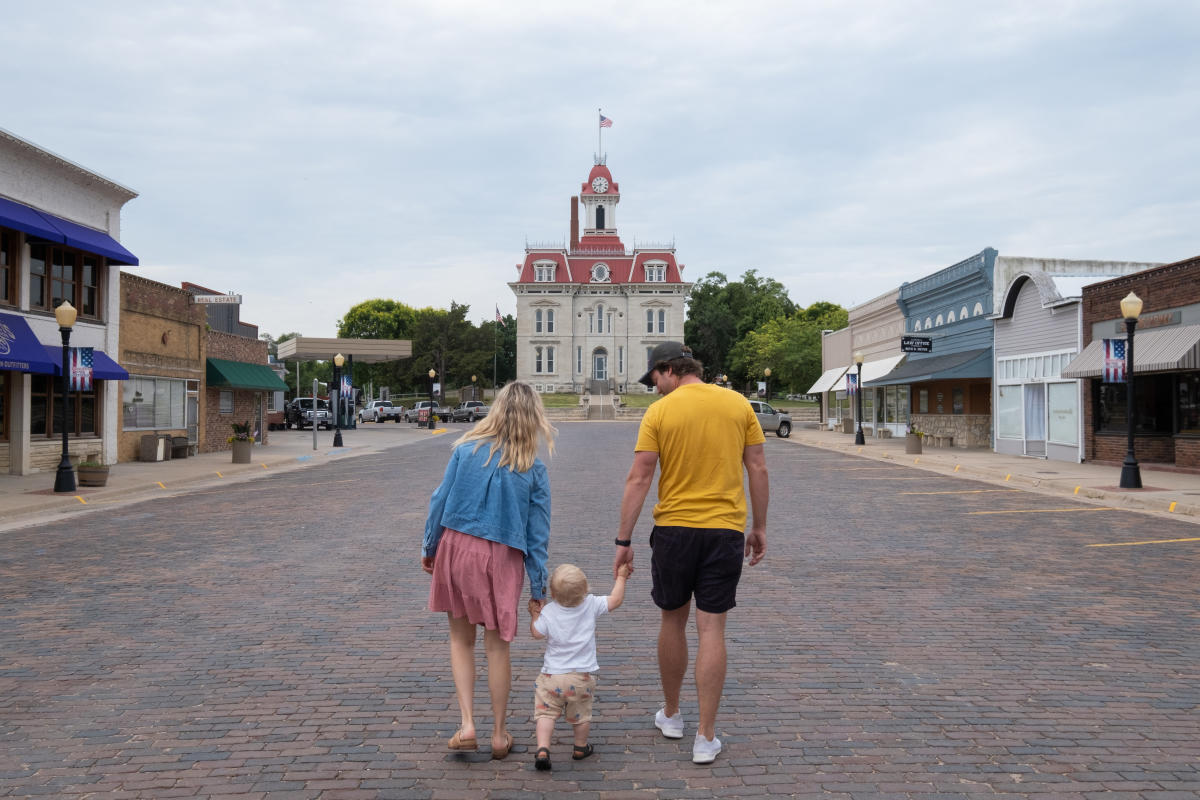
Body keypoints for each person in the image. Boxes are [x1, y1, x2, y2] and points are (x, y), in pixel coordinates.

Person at [613, 341, 768, 765]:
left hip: (674, 531)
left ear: (669, 369)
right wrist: (759, 526)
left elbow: (640, 476)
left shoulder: (660, 412)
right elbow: (757, 467)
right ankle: (706, 736)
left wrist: (623, 541)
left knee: (673, 620)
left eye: (655, 379)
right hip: (724, 530)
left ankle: (672, 714)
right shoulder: (738, 404)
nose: (655, 388)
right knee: (712, 629)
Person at [421, 381, 557, 760]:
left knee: (460, 640)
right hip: (502, 556)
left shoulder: (465, 451)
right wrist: (539, 589)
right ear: (533, 418)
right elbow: (538, 535)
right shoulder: (533, 469)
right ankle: (499, 734)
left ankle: (467, 725)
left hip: (457, 546)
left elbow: (439, 500)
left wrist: (430, 546)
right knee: (497, 647)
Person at [528, 562, 631, 771]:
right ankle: (580, 747)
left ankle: (542, 749)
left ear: (553, 594)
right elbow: (616, 600)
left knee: (546, 714)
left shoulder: (549, 611)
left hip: (551, 677)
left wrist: (535, 615)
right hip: (580, 678)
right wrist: (621, 577)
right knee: (581, 715)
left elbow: (537, 633)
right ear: (584, 590)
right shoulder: (590, 604)